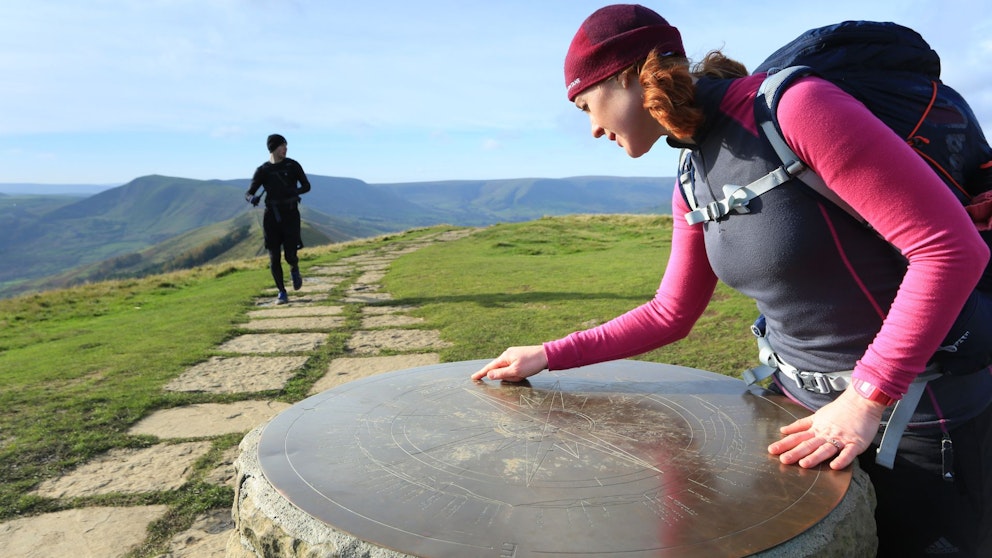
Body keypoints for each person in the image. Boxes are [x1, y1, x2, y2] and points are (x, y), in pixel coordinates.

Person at [472, 5, 991, 557]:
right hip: (796, 412)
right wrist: (548, 354)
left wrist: (864, 399)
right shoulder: (691, 171)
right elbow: (670, 312)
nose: (593, 128)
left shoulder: (795, 108)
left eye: (585, 106)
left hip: (916, 418)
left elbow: (948, 249)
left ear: (624, 76)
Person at [245, 133, 312, 304]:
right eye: (282, 145)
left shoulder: (293, 165)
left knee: (290, 255)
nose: (285, 148)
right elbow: (248, 193)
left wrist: (295, 191)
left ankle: (294, 267)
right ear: (273, 148)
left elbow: (307, 186)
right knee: (274, 257)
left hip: (291, 214)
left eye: (286, 145)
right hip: (271, 217)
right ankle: (282, 292)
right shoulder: (263, 170)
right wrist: (252, 199)